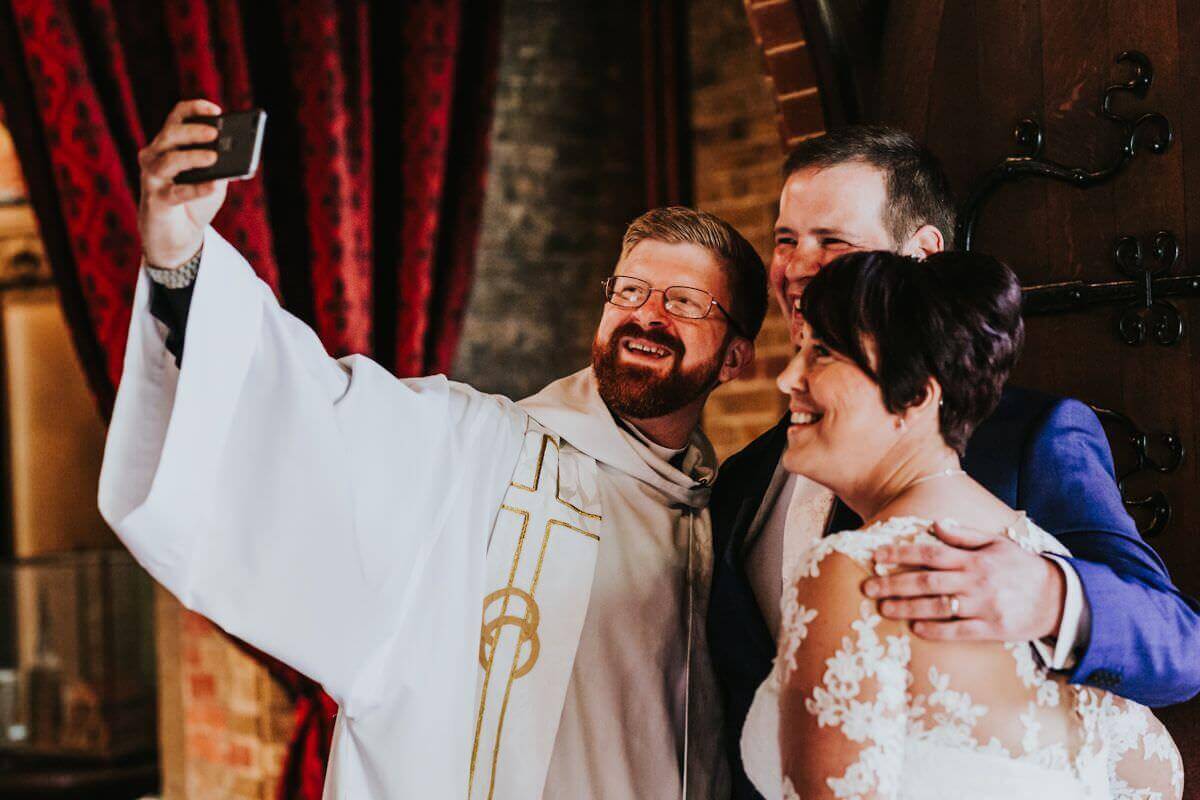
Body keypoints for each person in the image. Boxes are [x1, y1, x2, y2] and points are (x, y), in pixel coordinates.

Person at [98, 100, 768, 799]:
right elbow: (312, 413)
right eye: (629, 290)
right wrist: (181, 262)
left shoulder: (717, 519)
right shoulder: (482, 454)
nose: (646, 315)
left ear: (734, 358)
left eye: (685, 302)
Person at [707, 125, 1200, 799]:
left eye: (833, 242)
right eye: (786, 239)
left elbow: (1181, 646)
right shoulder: (745, 480)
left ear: (922, 256)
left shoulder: (1031, 437)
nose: (796, 266)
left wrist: (1050, 596)